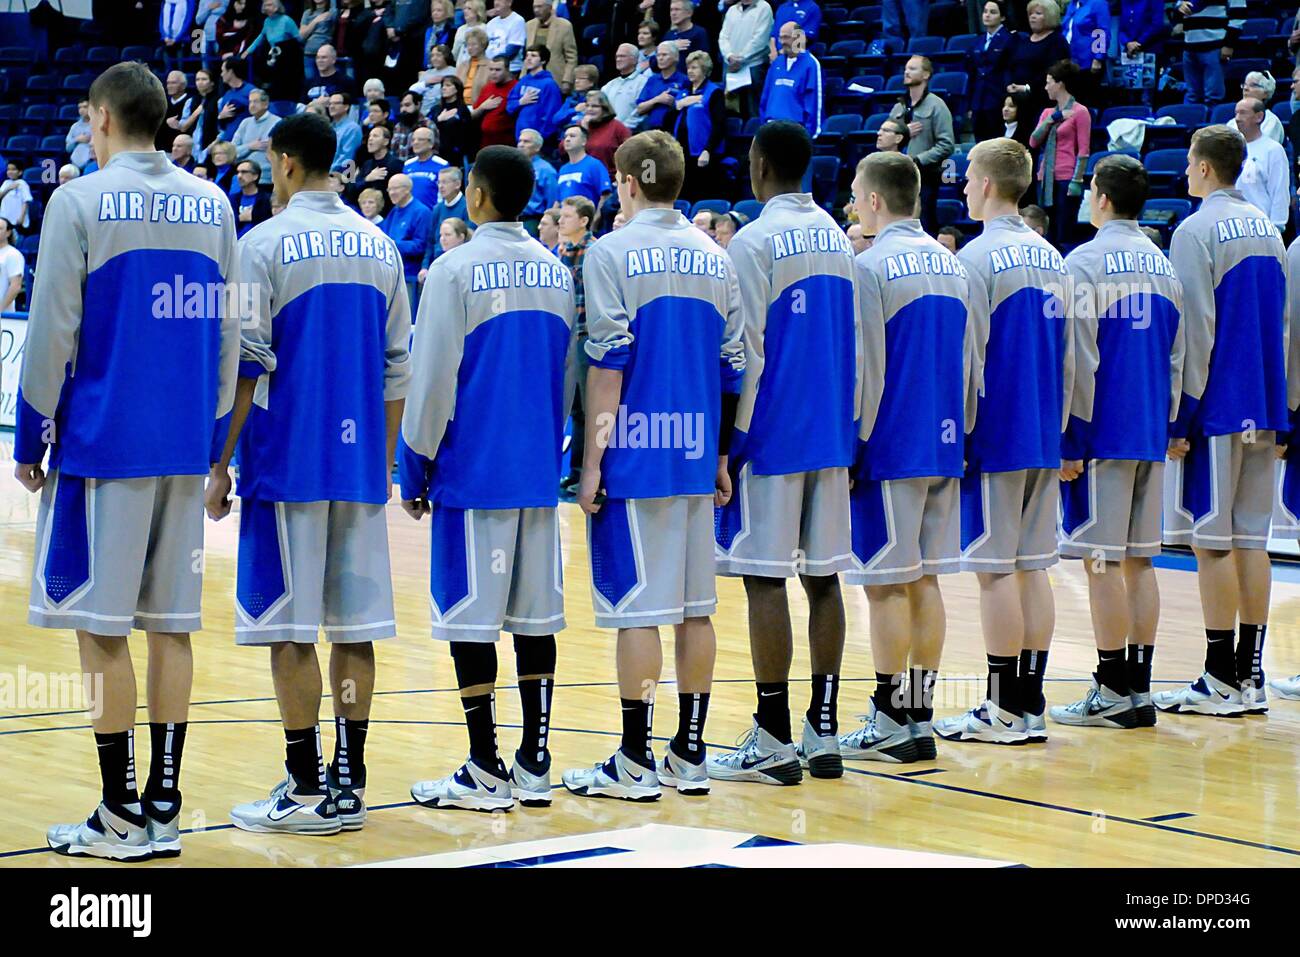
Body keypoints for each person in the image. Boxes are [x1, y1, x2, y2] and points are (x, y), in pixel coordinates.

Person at [15, 62, 239, 862]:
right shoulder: (213, 203)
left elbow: (51, 331)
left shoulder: (77, 199)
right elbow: (227, 332)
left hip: (104, 443)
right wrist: (215, 437)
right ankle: (165, 804)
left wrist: (30, 431)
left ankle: (117, 813)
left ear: (101, 117)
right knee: (171, 623)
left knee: (102, 627)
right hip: (183, 442)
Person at [211, 111, 410, 835]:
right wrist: (381, 461)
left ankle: (300, 786)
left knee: (291, 630)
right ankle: (349, 783)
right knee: (354, 628)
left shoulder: (257, 245)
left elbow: (245, 360)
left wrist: (218, 461)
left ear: (287, 162)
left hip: (284, 462)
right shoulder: (383, 246)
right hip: (356, 469)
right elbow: (398, 370)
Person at [562, 130, 744, 800]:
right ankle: (690, 753)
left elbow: (606, 364)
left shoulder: (610, 253)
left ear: (629, 182)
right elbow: (734, 367)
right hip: (697, 456)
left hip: (636, 458)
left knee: (636, 612)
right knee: (697, 611)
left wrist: (592, 460)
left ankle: (635, 760)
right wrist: (723, 454)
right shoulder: (716, 257)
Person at [400, 145, 575, 811]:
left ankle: (484, 763)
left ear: (474, 193)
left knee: (472, 624)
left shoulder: (453, 271)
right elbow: (565, 383)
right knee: (535, 617)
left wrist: (413, 465)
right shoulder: (558, 272)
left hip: (473, 472)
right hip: (534, 468)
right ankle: (535, 759)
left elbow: (432, 379)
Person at [707, 120, 858, 784]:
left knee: (764, 578)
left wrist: (729, 442)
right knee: (824, 577)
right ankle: (821, 727)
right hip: (829, 428)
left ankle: (771, 731)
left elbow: (746, 349)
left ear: (761, 164)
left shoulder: (756, 239)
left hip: (771, 433)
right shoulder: (836, 233)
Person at [835, 150, 976, 764]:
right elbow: (974, 364)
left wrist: (855, 445)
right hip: (945, 442)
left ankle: (892, 713)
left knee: (885, 587)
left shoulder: (871, 267)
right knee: (926, 580)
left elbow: (866, 366)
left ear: (872, 200)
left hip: (891, 444)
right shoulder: (953, 264)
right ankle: (917, 710)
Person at [944, 136, 1072, 745]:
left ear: (988, 185)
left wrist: (962, 431)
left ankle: (1000, 709)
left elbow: (970, 360)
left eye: (969, 177)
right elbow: (1073, 359)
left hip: (997, 431)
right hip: (1046, 428)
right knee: (1033, 568)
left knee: (995, 572)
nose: (964, 186)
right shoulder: (1056, 257)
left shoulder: (976, 259)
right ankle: (1029, 702)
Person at [1157, 125, 1287, 718]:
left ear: (1206, 168)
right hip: (1265, 402)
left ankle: (1219, 678)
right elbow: (1284, 328)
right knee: (1251, 540)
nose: (1185, 172)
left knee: (1212, 545)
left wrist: (1180, 415)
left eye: (1189, 162)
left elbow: (1196, 331)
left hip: (1216, 407)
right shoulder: (1269, 230)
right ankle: (1252, 674)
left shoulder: (1195, 230)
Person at [1053, 154, 1184, 730]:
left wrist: (1070, 436)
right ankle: (1138, 687)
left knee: (1102, 563)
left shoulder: (1084, 263)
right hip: (1150, 428)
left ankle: (1110, 688)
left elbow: (1079, 356)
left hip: (1102, 430)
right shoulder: (1165, 263)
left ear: (1102, 198)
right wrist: (1172, 423)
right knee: (1139, 561)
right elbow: (1178, 357)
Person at [888, 56, 954, 234]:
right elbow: (887, 134)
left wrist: (918, 160)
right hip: (898, 175)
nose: (907, 72)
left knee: (924, 225)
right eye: (906, 69)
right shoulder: (899, 106)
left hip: (925, 176)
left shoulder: (937, 106)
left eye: (913, 69)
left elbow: (947, 144)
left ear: (926, 75)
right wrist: (904, 131)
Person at [557, 193, 596, 495]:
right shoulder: (563, 251)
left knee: (587, 409)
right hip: (569, 337)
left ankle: (585, 472)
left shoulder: (593, 251)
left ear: (583, 221)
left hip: (586, 335)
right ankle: (574, 471)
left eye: (567, 216)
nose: (561, 220)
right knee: (575, 410)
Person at [1029, 59, 1089, 250]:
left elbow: (1084, 150)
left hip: (1066, 178)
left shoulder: (1081, 112)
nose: (1046, 87)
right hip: (1045, 178)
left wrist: (1077, 180)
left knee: (1064, 230)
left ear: (1060, 84)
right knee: (1048, 231)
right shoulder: (1048, 112)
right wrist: (1051, 120)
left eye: (1049, 82)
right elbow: (1033, 141)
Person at [674, 51, 725, 202]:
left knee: (701, 194)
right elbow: (673, 111)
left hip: (702, 152)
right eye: (689, 67)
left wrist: (707, 150)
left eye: (694, 67)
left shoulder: (713, 92)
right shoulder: (684, 92)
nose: (690, 71)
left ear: (704, 70)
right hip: (683, 151)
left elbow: (719, 125)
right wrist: (683, 102)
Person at [1233, 98, 1291, 232]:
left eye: (1243, 113)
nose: (1237, 118)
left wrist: (1276, 226)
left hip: (1261, 227)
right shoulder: (1230, 149)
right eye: (1236, 113)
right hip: (1233, 226)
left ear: (1259, 117)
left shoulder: (1273, 149)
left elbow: (1279, 190)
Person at [1008, 0, 1070, 123]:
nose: (1033, 17)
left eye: (1038, 13)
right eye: (1031, 14)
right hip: (1020, 101)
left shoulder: (1057, 41)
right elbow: (1012, 65)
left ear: (1049, 16)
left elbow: (1053, 71)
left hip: (1044, 102)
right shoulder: (1023, 41)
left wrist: (1027, 87)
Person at [1176, 0, 1244, 107]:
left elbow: (1239, 15)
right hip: (1189, 46)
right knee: (1192, 96)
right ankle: (1193, 122)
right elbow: (1179, 5)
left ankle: (1212, 122)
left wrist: (1229, 44)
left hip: (1215, 46)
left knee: (1213, 97)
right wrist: (1180, 5)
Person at [760, 23, 821, 139]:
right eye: (780, 37)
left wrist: (808, 137)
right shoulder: (776, 64)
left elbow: (813, 103)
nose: (782, 42)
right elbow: (765, 98)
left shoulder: (811, 64)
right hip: (770, 129)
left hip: (794, 132)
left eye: (786, 37)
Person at [383, 172, 432, 314]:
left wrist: (393, 244)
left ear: (407, 189)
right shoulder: (393, 211)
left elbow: (421, 245)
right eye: (389, 189)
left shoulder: (421, 212)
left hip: (410, 277)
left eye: (395, 188)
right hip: (392, 274)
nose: (391, 193)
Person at [719, 0, 773, 119]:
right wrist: (729, 55)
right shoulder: (732, 10)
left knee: (752, 110)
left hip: (753, 66)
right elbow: (723, 37)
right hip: (730, 66)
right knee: (730, 111)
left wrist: (741, 58)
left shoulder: (764, 8)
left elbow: (760, 39)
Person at [242, 0, 303, 103]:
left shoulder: (287, 20)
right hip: (274, 56)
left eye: (270, 5)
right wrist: (248, 51)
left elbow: (298, 39)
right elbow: (261, 37)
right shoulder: (267, 21)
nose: (267, 7)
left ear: (277, 6)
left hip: (289, 57)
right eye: (265, 5)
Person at [971, 1, 1014, 144]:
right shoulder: (978, 40)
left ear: (1002, 17)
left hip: (997, 98)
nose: (987, 15)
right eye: (985, 11)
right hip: (979, 101)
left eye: (993, 12)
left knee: (997, 144)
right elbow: (971, 71)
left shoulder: (1010, 39)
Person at [507, 44, 564, 143]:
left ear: (543, 60)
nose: (528, 59)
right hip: (520, 136)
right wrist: (520, 102)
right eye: (527, 56)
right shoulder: (523, 81)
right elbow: (509, 106)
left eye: (533, 56)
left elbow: (551, 114)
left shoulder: (549, 84)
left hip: (538, 139)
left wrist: (541, 137)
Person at [418, 165, 470, 268]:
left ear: (458, 184)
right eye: (439, 182)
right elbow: (431, 241)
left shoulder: (467, 207)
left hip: (459, 263)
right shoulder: (437, 209)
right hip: (437, 263)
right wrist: (424, 267)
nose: (440, 186)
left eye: (445, 182)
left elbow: (469, 239)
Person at [637, 42, 690, 132]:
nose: (660, 58)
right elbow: (640, 109)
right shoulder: (652, 80)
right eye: (658, 55)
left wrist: (676, 103)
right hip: (652, 131)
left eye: (664, 55)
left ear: (676, 57)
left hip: (676, 131)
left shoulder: (685, 80)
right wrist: (657, 99)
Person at [231, 88, 279, 187]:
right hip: (242, 176)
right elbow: (232, 151)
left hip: (266, 179)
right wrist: (249, 146)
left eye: (255, 102)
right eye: (250, 102)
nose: (252, 105)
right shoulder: (245, 122)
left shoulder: (277, 123)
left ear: (265, 104)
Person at [557, 124, 612, 209]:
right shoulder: (563, 169)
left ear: (584, 141)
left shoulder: (594, 165)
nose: (567, 139)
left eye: (572, 136)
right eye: (565, 137)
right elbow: (558, 200)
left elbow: (605, 195)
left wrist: (595, 219)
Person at [528, 0, 578, 92]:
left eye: (540, 7)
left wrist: (567, 80)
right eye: (534, 7)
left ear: (550, 8)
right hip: (531, 79)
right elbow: (526, 55)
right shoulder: (529, 25)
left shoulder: (564, 26)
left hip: (555, 78)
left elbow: (571, 57)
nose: (536, 10)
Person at [383, 0, 433, 89]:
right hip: (396, 41)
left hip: (415, 40)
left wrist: (398, 31)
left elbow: (420, 16)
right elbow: (388, 11)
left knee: (410, 76)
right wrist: (389, 26)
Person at [518, 127, 559, 234]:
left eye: (526, 142)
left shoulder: (546, 170)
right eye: (520, 141)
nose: (521, 144)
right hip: (514, 220)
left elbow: (552, 199)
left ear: (537, 147)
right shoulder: (514, 166)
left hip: (533, 221)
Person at [472, 57, 518, 150]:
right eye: (491, 69)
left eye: (498, 70)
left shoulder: (516, 87)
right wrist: (482, 107)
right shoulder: (488, 87)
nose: (493, 73)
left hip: (506, 142)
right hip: (485, 141)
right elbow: (474, 114)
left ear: (507, 70)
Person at [1228, 72, 1285, 145]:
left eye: (1253, 85)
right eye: (1244, 85)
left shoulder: (1272, 121)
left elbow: (1262, 147)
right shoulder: (1232, 122)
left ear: (1266, 93)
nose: (1245, 88)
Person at [603, 43, 650, 131]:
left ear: (634, 60)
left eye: (622, 56)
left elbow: (641, 112)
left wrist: (622, 130)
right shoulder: (609, 85)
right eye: (617, 56)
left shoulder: (643, 82)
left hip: (633, 134)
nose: (618, 59)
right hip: (608, 134)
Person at [353, 124, 404, 199]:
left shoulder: (395, 164)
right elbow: (354, 189)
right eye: (370, 136)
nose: (370, 139)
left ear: (386, 142)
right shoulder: (367, 164)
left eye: (375, 136)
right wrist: (368, 179)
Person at [403, 126, 450, 208]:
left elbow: (447, 194)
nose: (415, 142)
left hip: (432, 214)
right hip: (410, 214)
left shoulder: (442, 165)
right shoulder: (407, 164)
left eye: (420, 139)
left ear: (431, 144)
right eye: (413, 140)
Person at [433, 77, 473, 168]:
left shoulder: (462, 110)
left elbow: (467, 132)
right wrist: (439, 120)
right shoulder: (436, 109)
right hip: (438, 151)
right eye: (442, 86)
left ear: (456, 89)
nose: (443, 88)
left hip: (456, 154)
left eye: (448, 85)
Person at [157, 71, 197, 155]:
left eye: (173, 83)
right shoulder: (162, 102)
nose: (169, 86)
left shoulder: (193, 102)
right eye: (168, 83)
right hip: (163, 150)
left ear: (183, 85)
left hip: (185, 151)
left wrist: (179, 125)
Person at [485, 0, 528, 74]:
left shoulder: (517, 20)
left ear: (509, 3)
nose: (496, 3)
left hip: (511, 69)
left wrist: (494, 63)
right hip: (490, 68)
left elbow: (513, 50)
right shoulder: (491, 23)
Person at [233, 158, 272, 235]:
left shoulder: (267, 199)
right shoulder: (232, 199)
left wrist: (254, 216)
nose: (239, 176)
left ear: (255, 176)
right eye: (238, 172)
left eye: (244, 172)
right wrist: (240, 218)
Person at [218, 55, 253, 140]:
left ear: (230, 72)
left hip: (247, 140)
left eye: (223, 71)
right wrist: (221, 117)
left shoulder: (251, 91)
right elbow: (222, 126)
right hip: (228, 142)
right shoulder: (227, 95)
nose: (221, 74)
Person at [328, 91, 364, 172]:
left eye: (336, 103)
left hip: (342, 175)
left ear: (346, 107)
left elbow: (347, 158)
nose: (331, 106)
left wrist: (327, 173)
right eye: (330, 104)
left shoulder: (352, 128)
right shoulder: (329, 127)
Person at [458, 27, 493, 105]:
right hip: (460, 106)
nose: (470, 48)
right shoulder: (462, 66)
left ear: (483, 45)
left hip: (479, 106)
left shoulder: (491, 66)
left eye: (474, 44)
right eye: (468, 45)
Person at [160, 0, 196, 74]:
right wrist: (165, 36)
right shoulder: (165, 1)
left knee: (180, 71)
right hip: (167, 41)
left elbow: (188, 19)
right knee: (168, 71)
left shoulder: (189, 1)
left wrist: (176, 39)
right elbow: (161, 19)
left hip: (182, 40)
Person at [0, 163, 32, 236]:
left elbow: (26, 202)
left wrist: (21, 217)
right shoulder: (6, 183)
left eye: (13, 169)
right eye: (8, 169)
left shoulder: (23, 184)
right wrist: (8, 188)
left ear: (20, 172)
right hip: (5, 218)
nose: (10, 171)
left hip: (18, 220)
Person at [0, 217, 22, 313]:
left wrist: (1, 309)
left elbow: (15, 286)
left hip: (4, 317)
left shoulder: (13, 254)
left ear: (8, 232)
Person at [66, 100, 94, 170]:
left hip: (92, 163)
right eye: (79, 107)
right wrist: (77, 139)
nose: (81, 110)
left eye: (85, 107)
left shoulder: (98, 125)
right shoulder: (74, 126)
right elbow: (68, 148)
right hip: (75, 165)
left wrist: (90, 140)